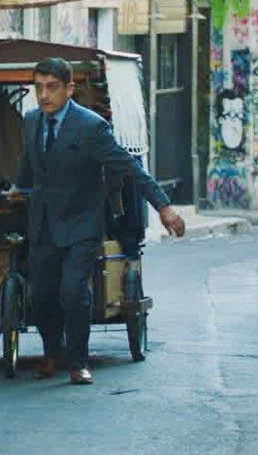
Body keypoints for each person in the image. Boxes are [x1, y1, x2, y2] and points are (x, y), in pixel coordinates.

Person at [13, 57, 185, 385]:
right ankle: (52, 353)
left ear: (69, 89)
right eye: (38, 87)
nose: (44, 95)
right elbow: (28, 166)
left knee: (72, 290)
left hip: (81, 223)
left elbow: (129, 167)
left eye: (51, 87)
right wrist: (16, 189)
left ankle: (77, 362)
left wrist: (164, 207)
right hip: (43, 222)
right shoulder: (32, 120)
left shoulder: (91, 126)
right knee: (44, 293)